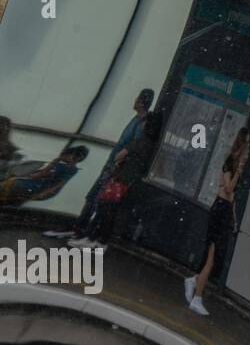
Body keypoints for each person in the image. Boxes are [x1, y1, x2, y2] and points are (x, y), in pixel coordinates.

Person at [47, 88, 153, 240]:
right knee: (93, 197)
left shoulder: (141, 122)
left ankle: (85, 230)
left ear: (141, 102)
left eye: (137, 98)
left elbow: (132, 146)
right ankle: (81, 227)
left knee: (98, 198)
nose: (134, 100)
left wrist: (117, 164)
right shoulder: (136, 119)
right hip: (112, 165)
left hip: (114, 167)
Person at [72, 111, 162, 247]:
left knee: (104, 207)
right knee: (111, 210)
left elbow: (119, 156)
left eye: (145, 122)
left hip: (120, 179)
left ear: (147, 124)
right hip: (130, 181)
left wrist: (120, 161)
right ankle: (101, 241)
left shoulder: (139, 141)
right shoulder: (152, 145)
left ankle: (93, 238)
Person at [186, 127, 250, 316]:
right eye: (247, 146)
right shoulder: (231, 162)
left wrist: (235, 219)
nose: (249, 152)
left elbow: (234, 197)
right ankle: (197, 297)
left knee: (216, 259)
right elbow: (229, 189)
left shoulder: (236, 164)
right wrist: (238, 172)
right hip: (220, 209)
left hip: (226, 211)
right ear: (242, 146)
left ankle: (195, 281)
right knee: (212, 258)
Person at [0, 146, 88, 206]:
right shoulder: (69, 168)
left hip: (40, 188)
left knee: (10, 183)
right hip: (40, 187)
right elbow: (44, 175)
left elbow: (44, 177)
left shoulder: (68, 168)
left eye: (65, 155)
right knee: (11, 185)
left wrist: (56, 160)